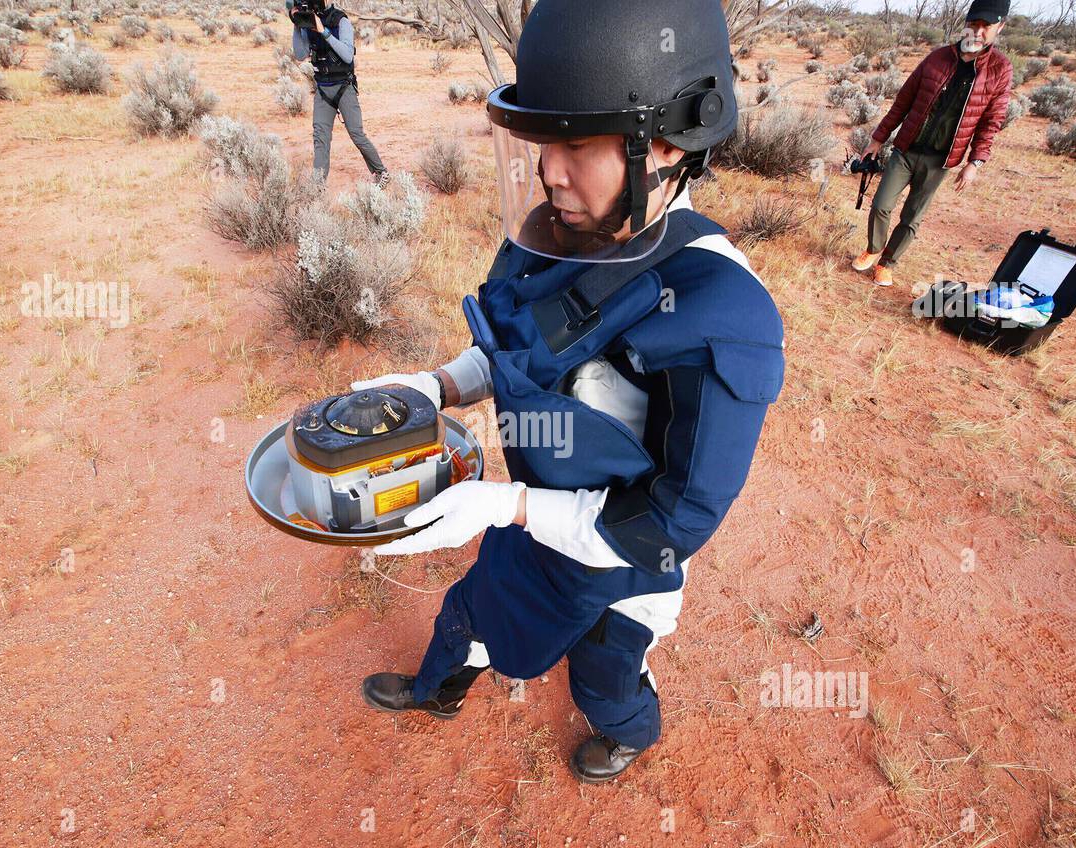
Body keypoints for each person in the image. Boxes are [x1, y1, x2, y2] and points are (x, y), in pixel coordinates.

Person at [351, 0, 785, 783]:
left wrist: (507, 505)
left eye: (577, 143)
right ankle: (439, 690)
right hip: (536, 514)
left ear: (662, 144)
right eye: (542, 142)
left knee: (604, 674)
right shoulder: (560, 231)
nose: (551, 171)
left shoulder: (723, 312)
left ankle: (629, 731)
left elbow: (667, 524)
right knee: (472, 610)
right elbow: (515, 349)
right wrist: (438, 385)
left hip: (619, 562)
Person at [852, 0, 1014, 287]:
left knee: (912, 216)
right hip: (907, 148)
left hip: (941, 159)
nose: (977, 32)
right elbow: (903, 101)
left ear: (999, 28)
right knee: (881, 204)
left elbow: (991, 121)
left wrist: (975, 162)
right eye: (973, 24)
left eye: (986, 27)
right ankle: (874, 249)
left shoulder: (1000, 70)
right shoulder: (938, 58)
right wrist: (878, 138)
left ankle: (887, 263)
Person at [286, 0, 389, 186]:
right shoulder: (308, 22)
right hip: (323, 89)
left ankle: (381, 172)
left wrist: (323, 31)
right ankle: (317, 187)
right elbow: (300, 54)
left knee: (357, 134)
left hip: (344, 87)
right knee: (320, 138)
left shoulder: (341, 20)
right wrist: (297, 24)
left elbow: (348, 55)